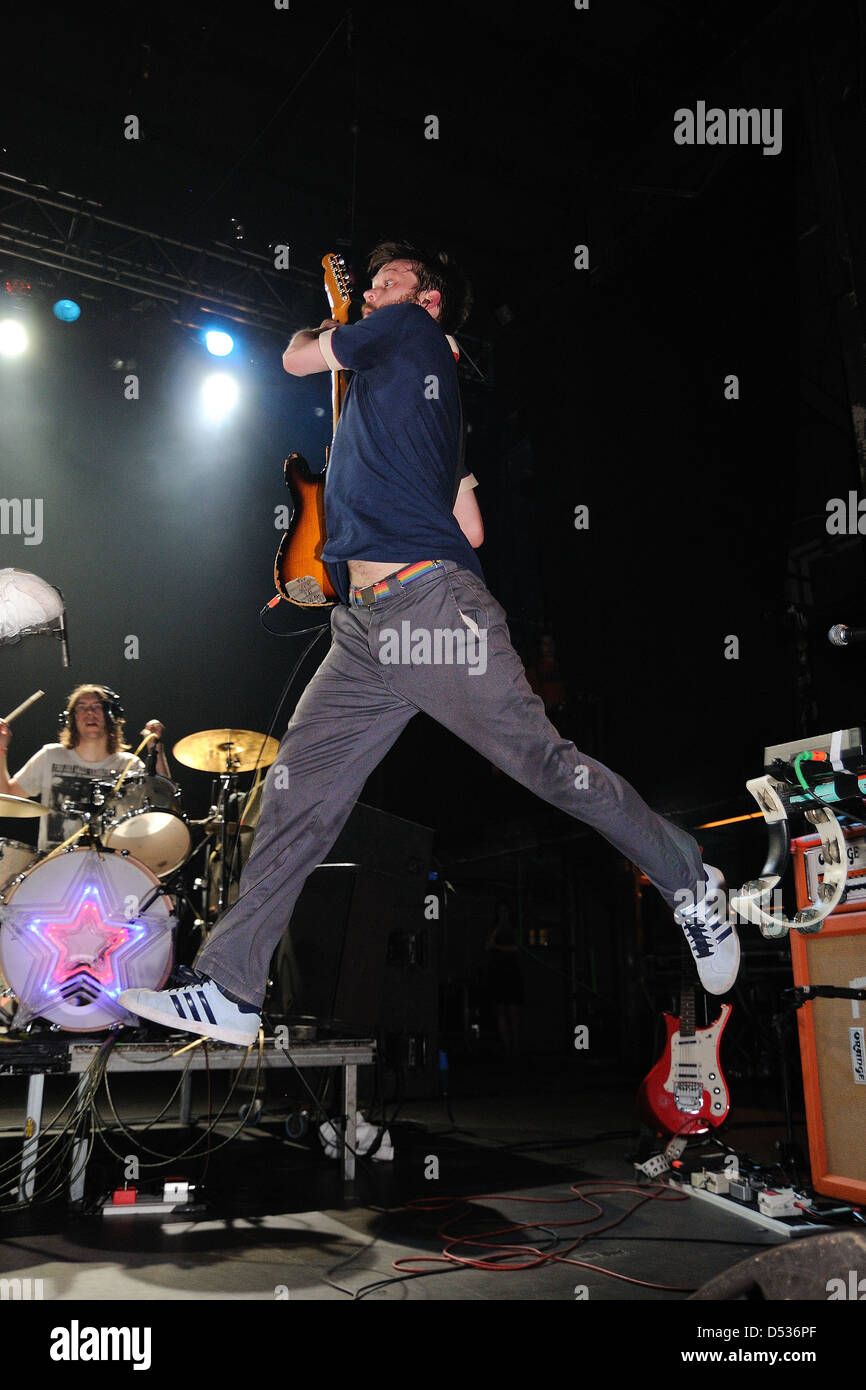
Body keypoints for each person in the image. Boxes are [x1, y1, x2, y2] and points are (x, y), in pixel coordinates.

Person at [120, 241, 739, 1047]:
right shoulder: (424, 400)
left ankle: (690, 879)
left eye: (391, 284)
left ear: (430, 301)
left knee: (545, 764)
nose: (376, 294)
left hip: (427, 613)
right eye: (370, 287)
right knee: (296, 792)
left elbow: (296, 356)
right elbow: (473, 526)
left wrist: (335, 318)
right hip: (367, 631)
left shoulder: (404, 330)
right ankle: (234, 987)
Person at [0, 684, 169, 851]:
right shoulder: (50, 756)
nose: (90, 713)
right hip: (55, 865)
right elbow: (6, 795)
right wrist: (1, 748)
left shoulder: (128, 764)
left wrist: (156, 749)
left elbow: (164, 803)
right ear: (71, 718)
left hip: (110, 865)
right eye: (82, 708)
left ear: (112, 715)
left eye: (97, 707)